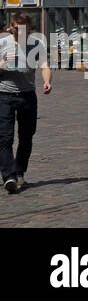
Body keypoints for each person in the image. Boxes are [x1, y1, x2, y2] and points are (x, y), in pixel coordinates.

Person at [0, 13, 52, 192]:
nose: (19, 32)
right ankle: (9, 176)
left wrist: (47, 81)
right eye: (16, 28)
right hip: (4, 95)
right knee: (4, 137)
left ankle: (19, 171)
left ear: (29, 28)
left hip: (27, 95)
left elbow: (44, 65)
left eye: (24, 29)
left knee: (26, 137)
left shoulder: (37, 44)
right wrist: (2, 63)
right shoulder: (3, 43)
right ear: (11, 27)